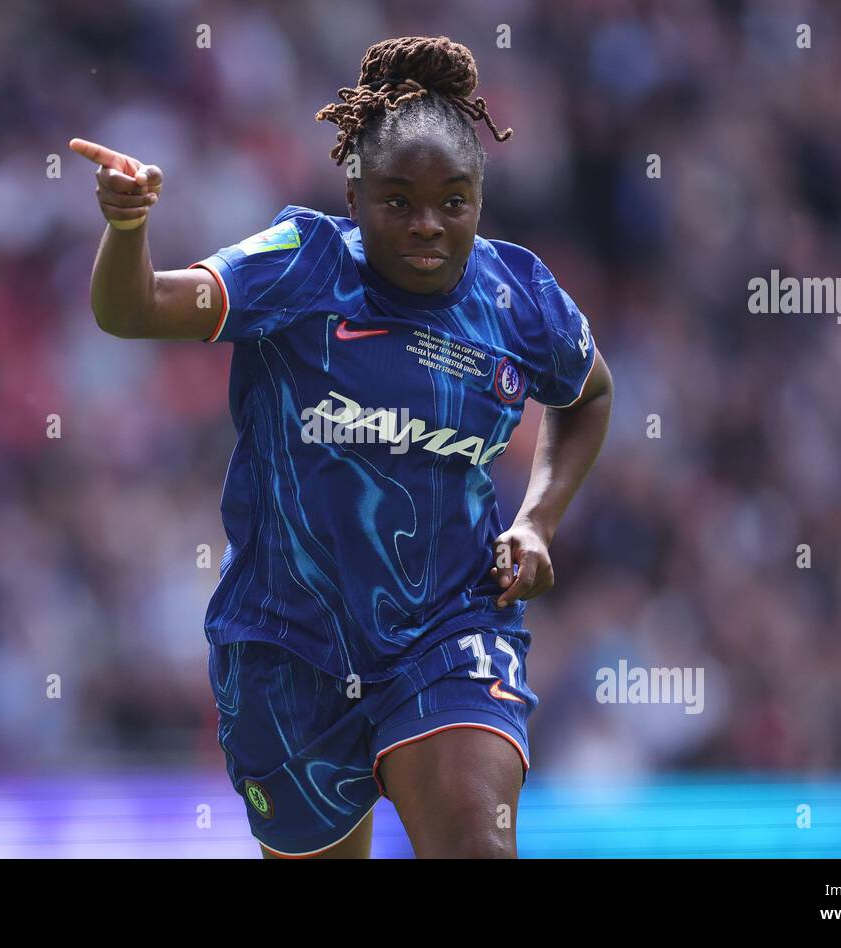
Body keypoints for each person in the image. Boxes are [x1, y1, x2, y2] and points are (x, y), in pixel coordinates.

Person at [72, 36, 612, 858]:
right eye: (398, 201)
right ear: (353, 194)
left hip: (449, 626)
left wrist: (536, 521)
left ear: (479, 198)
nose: (428, 224)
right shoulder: (300, 266)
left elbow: (589, 393)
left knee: (477, 842)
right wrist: (127, 227)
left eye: (454, 201)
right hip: (286, 648)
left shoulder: (517, 296)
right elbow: (135, 308)